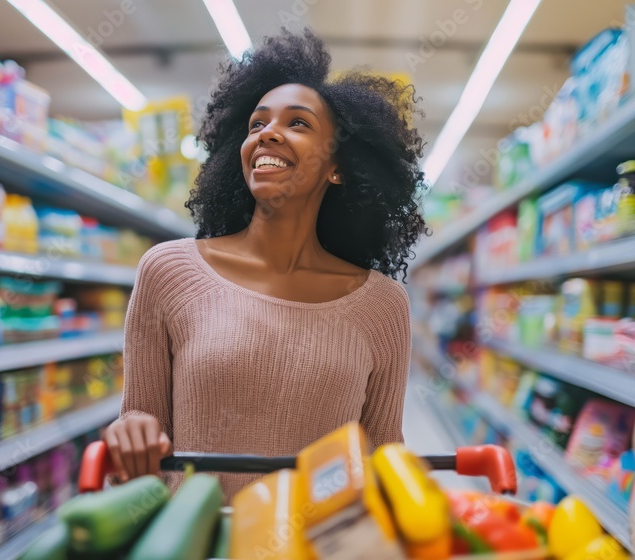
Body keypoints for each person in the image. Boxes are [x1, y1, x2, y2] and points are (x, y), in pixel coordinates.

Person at [104, 29, 426, 499]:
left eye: (298, 123)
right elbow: (142, 416)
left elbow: (382, 453)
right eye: (256, 125)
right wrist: (130, 431)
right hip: (201, 542)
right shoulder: (169, 272)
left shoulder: (381, 306)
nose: (268, 133)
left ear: (339, 167)